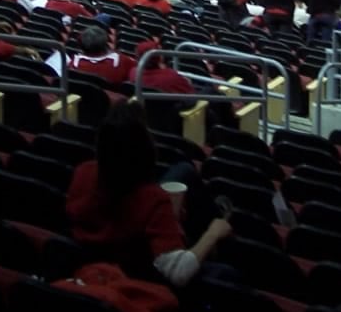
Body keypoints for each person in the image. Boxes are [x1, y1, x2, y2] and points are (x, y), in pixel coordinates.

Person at [65, 103, 232, 287]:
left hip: (101, 253)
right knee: (227, 272)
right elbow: (177, 273)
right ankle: (220, 230)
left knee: (184, 171)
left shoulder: (83, 172)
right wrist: (213, 233)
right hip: (138, 272)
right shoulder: (152, 199)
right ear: (143, 149)